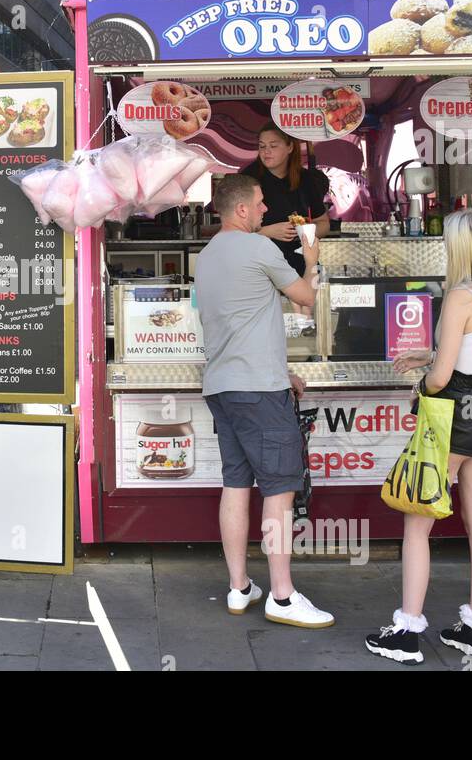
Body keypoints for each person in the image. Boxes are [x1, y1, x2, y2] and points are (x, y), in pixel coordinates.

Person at [366, 210, 472, 665]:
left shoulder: (459, 295)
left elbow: (441, 378)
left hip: (453, 412)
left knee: (418, 522)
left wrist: (421, 383)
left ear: (459, 248)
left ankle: (407, 630)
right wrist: (431, 354)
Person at [194, 174, 333, 629]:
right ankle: (283, 596)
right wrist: (310, 258)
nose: (264, 208)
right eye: (259, 203)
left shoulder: (208, 255)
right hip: (259, 391)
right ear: (241, 211)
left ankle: (238, 588)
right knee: (278, 490)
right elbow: (306, 299)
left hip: (223, 387)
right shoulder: (259, 249)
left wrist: (282, 372)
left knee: (235, 483)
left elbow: (244, 321)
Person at [242, 122, 331, 276]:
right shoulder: (247, 178)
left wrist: (305, 232)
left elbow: (323, 223)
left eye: (273, 146)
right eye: (262, 146)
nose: (266, 152)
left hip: (299, 262)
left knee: (311, 298)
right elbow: (231, 233)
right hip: (258, 264)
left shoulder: (306, 179)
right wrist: (267, 231)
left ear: (290, 147)